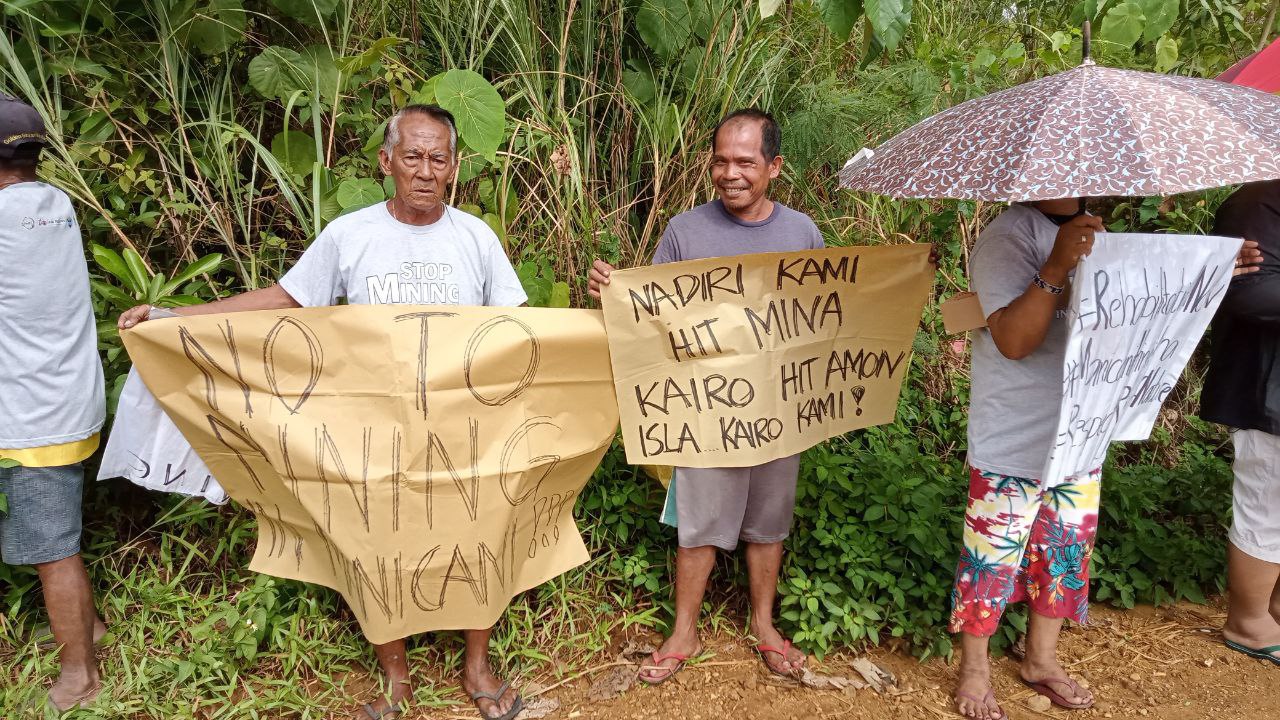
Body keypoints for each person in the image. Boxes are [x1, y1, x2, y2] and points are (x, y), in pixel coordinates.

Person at [119, 105, 528, 720]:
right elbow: (285, 300)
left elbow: (518, 328)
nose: (424, 170)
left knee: (476, 537)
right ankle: (396, 675)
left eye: (437, 158)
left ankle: (477, 664)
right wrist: (177, 320)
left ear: (454, 168)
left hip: (461, 429)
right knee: (372, 540)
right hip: (369, 429)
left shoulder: (476, 237)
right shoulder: (349, 234)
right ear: (386, 161)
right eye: (412, 156)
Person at [949, 199, 1263, 720]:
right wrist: (1054, 266)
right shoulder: (1008, 235)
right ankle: (974, 669)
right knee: (992, 555)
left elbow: (1145, 295)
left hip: (1080, 428)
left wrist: (1208, 267)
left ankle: (1041, 660)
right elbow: (1012, 340)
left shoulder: (1095, 231)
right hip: (1014, 434)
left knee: (1065, 549)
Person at [588, 109, 821, 683]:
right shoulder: (685, 230)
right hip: (705, 406)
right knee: (699, 522)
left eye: (745, 161)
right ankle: (683, 630)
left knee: (769, 521)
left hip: (777, 408)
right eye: (721, 160)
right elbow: (653, 315)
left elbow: (826, 315)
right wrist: (615, 294)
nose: (730, 173)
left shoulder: (802, 233)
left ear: (774, 166)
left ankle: (764, 626)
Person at [0, 93, 108, 711]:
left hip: (30, 416)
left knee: (51, 547)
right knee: (56, 534)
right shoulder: (55, 204)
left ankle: (80, 673)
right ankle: (87, 629)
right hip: (69, 396)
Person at [1200, 179, 1280, 668]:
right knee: (1267, 498)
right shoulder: (1258, 202)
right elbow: (1250, 290)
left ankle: (1274, 608)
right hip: (1265, 385)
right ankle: (1248, 621)